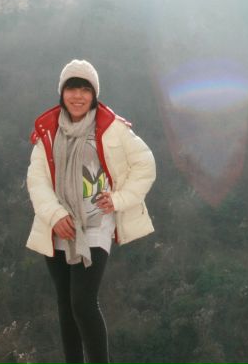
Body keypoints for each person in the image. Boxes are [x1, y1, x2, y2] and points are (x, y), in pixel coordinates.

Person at [26, 59, 156, 364]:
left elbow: (145, 164)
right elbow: (37, 179)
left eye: (85, 89)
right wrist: (55, 215)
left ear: (94, 94)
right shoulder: (49, 130)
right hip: (59, 224)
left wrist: (120, 199)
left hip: (96, 223)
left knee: (83, 303)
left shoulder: (112, 128)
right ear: (62, 92)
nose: (78, 96)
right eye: (72, 88)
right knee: (66, 305)